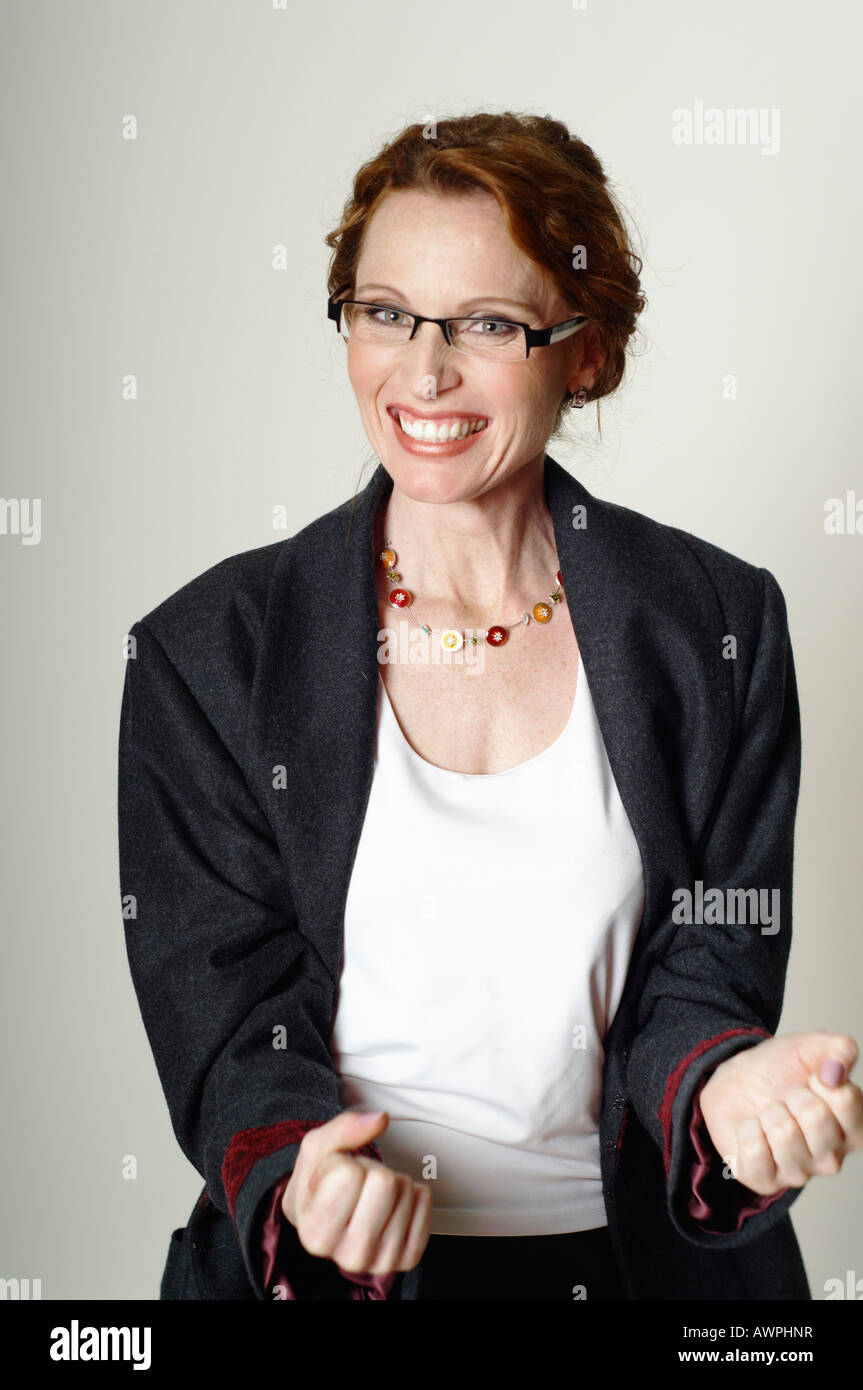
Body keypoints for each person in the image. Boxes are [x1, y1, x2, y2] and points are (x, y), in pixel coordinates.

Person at [118, 111, 862, 1302]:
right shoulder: (209, 652)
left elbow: (710, 954)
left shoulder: (718, 622)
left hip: (642, 1275)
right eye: (384, 312)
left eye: (487, 324)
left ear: (584, 348)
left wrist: (725, 1088)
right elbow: (225, 1009)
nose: (423, 370)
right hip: (333, 1281)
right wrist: (303, 1174)